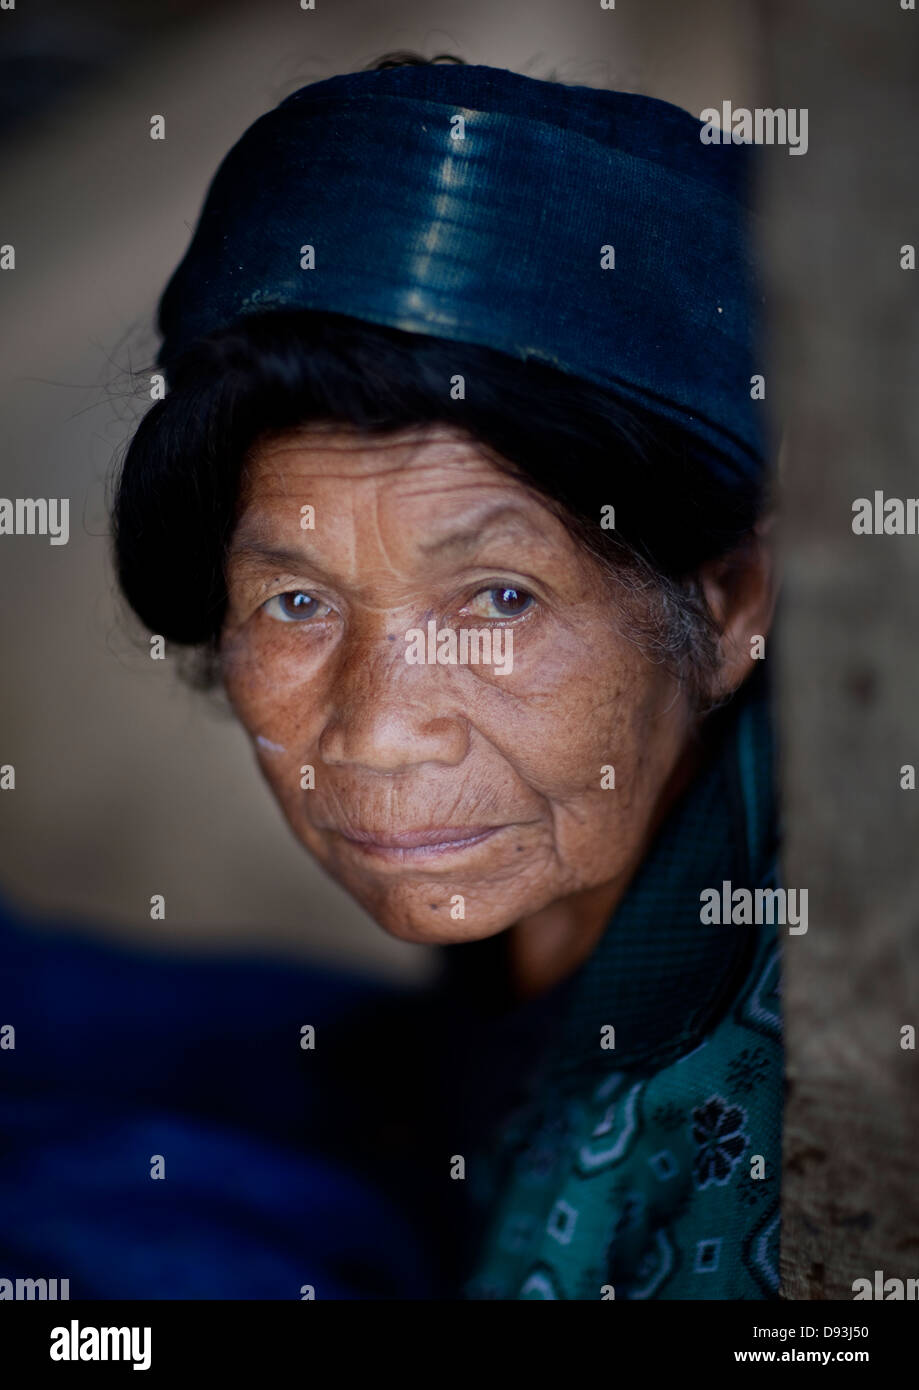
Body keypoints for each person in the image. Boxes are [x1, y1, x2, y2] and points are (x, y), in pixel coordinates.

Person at [112, 53, 783, 1299]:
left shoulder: (762, 1127)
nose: (375, 732)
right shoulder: (567, 874)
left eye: (499, 598)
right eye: (297, 601)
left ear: (730, 601)